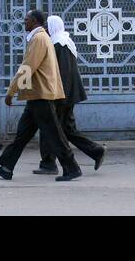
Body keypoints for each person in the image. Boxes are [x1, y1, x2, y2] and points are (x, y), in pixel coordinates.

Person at [0, 10, 82, 182]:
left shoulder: (38, 38)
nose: (24, 23)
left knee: (53, 134)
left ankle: (72, 167)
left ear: (35, 21)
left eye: (27, 20)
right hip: (36, 95)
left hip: (41, 95)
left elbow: (28, 67)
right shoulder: (40, 37)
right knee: (22, 134)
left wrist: (12, 91)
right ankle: (7, 167)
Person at [35, 15, 105, 174]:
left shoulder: (60, 44)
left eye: (47, 25)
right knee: (66, 128)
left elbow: (63, 72)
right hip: (67, 93)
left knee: (49, 127)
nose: (45, 29)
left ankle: (48, 163)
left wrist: (56, 95)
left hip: (62, 94)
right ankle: (95, 151)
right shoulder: (63, 41)